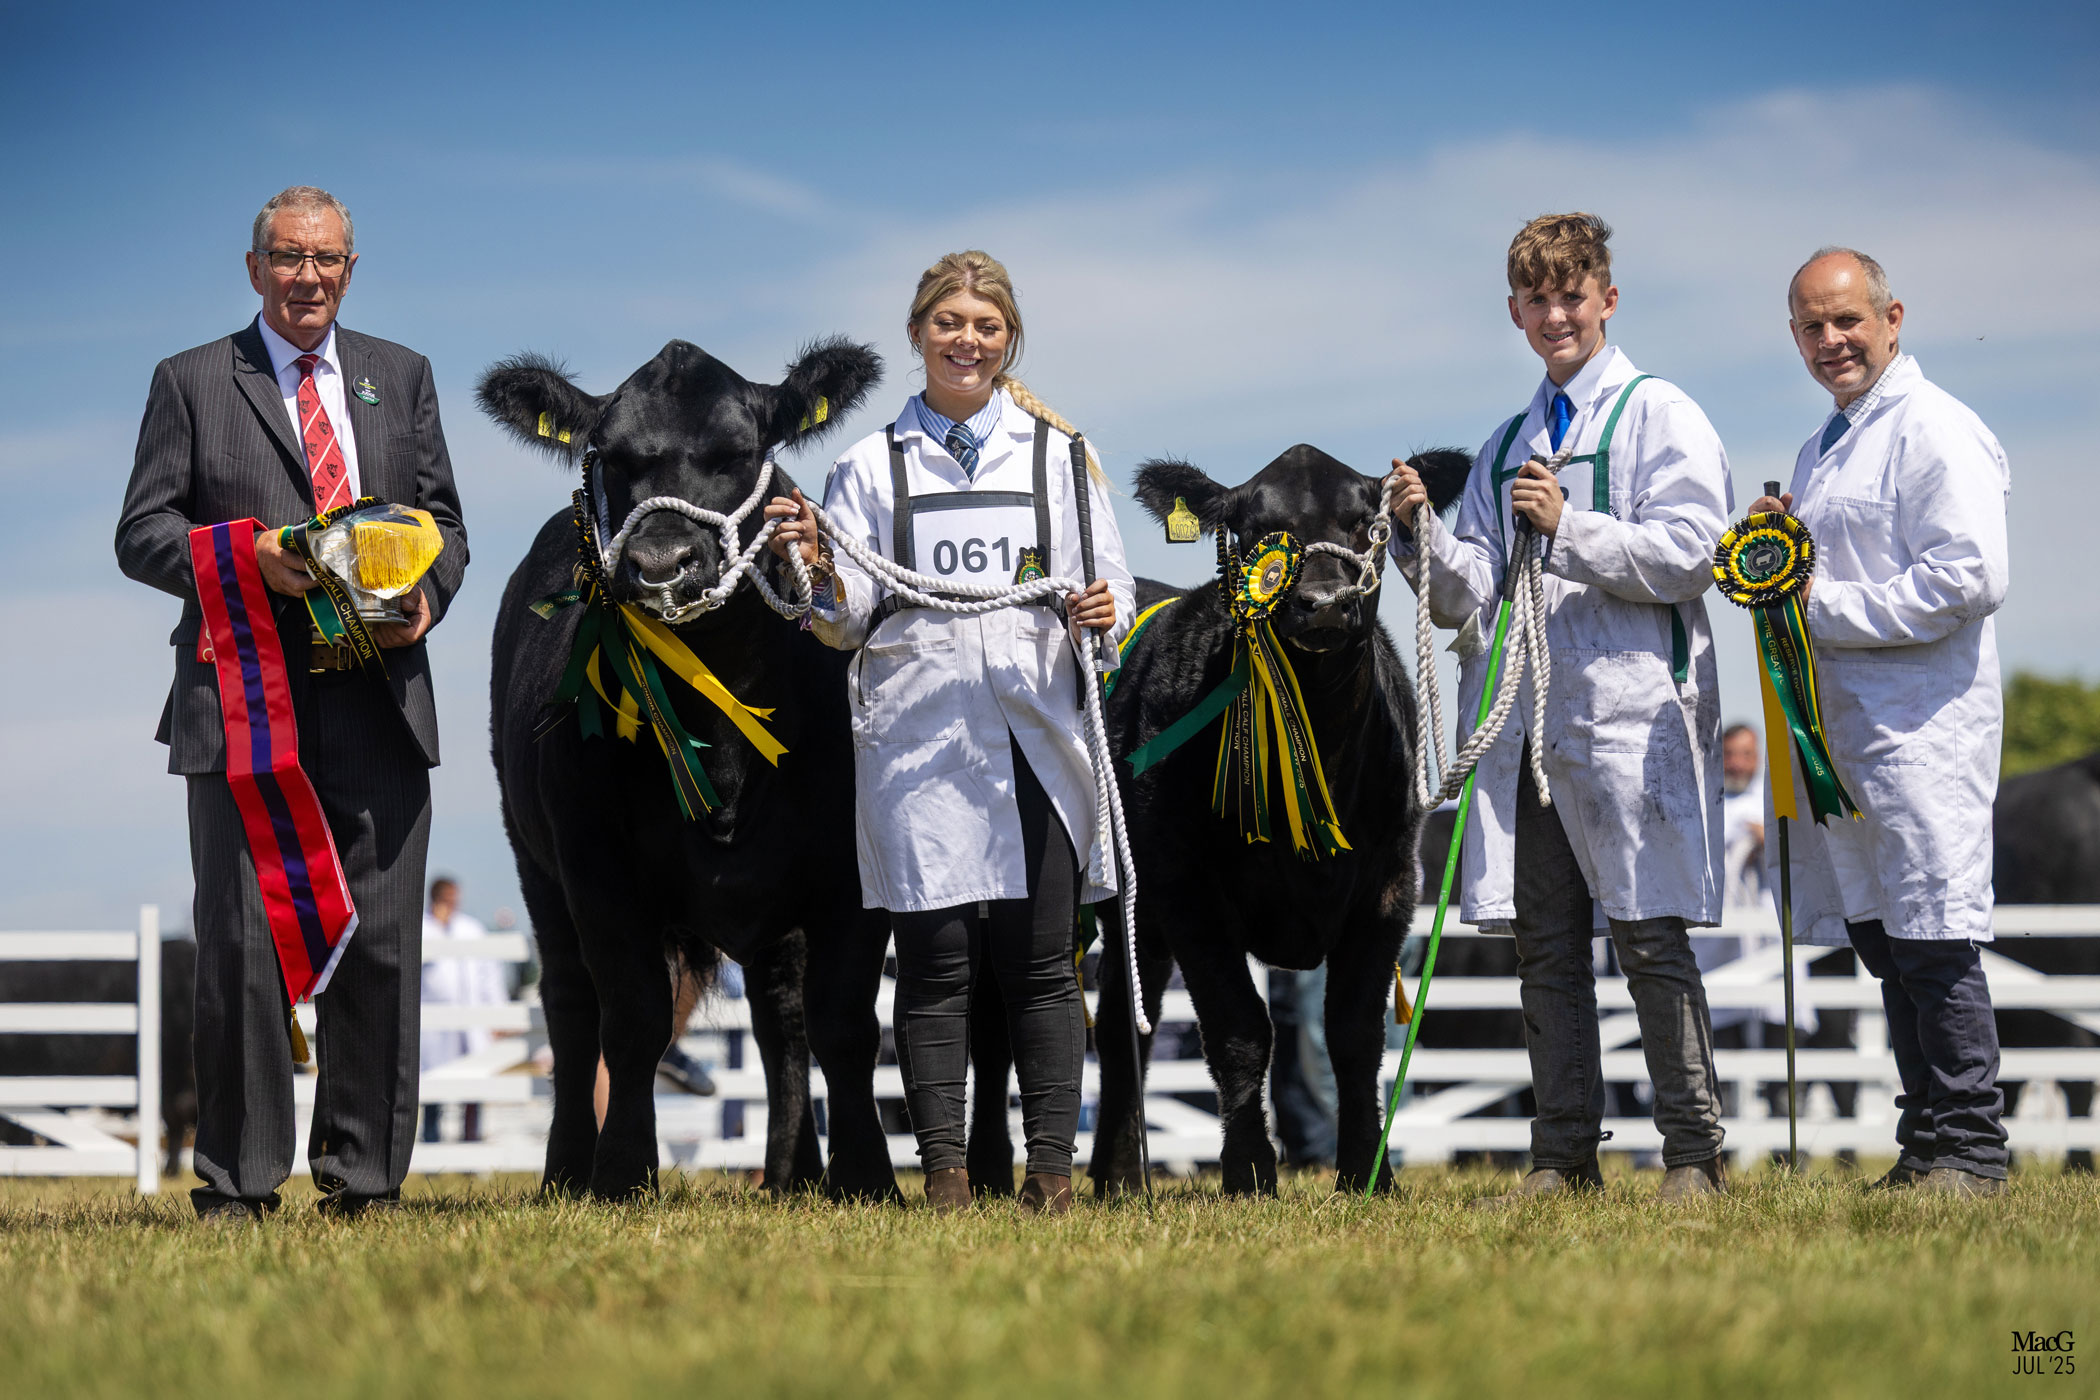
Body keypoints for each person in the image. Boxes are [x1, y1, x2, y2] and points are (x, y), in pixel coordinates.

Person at [115, 186, 468, 1221]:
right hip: (242, 704)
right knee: (241, 951)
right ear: (254, 266)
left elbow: (443, 519)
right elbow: (142, 532)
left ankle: (366, 1181)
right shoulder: (189, 381)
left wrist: (427, 605)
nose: (307, 274)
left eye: (326, 258)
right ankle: (239, 1185)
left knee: (385, 943)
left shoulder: (402, 376)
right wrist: (248, 558)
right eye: (287, 256)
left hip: (382, 697)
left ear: (350, 268)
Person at [766, 250, 1133, 1213]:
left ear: (1009, 338)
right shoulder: (866, 468)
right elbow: (843, 620)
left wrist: (1106, 610)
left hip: (1034, 731)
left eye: (986, 325)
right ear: (918, 331)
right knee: (934, 962)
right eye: (949, 322)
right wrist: (814, 570)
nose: (967, 340)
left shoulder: (1060, 456)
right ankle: (946, 1178)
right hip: (920, 733)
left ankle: (1051, 1171)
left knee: (1043, 962)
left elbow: (1115, 585)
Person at [1387, 212, 1731, 1203]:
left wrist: (1571, 528)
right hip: (1528, 726)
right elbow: (1466, 594)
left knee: (1649, 934)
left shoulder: (1660, 414)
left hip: (1631, 715)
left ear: (1606, 298)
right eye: (1536, 299)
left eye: (1571, 294)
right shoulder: (1507, 443)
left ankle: (1693, 1154)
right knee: (1547, 947)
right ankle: (1563, 1154)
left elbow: (1693, 554)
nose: (1555, 314)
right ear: (1514, 311)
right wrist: (1419, 532)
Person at [1750, 247, 2010, 1196]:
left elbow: (1970, 576)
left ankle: (1974, 1148)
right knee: (1885, 937)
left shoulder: (1937, 428)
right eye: (1813, 326)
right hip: (1842, 734)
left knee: (1936, 932)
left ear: (1893, 318)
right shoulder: (1825, 445)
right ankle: (1926, 1141)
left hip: (1919, 730)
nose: (1832, 341)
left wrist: (1822, 606)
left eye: (1848, 320)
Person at [420, 877, 509, 1143]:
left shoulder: (472, 928)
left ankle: (471, 1141)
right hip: (433, 1023)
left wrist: (498, 1014)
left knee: (473, 1084)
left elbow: (490, 975)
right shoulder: (423, 928)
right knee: (432, 1087)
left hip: (472, 1019)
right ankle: (432, 1141)